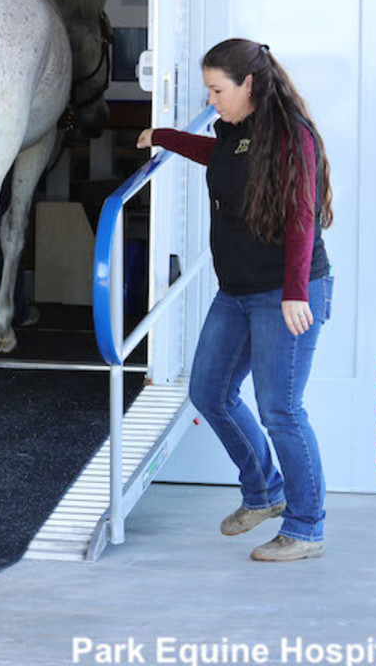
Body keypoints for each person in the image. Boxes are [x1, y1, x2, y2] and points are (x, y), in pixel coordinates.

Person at [137, 38, 334, 562]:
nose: (213, 100)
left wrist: (295, 292)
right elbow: (218, 157)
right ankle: (264, 492)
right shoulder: (233, 132)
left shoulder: (294, 136)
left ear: (248, 84)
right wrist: (164, 137)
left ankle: (306, 527)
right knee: (210, 391)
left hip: (288, 293)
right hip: (237, 292)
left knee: (281, 410)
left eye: (218, 90)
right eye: (209, 90)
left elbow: (301, 217)